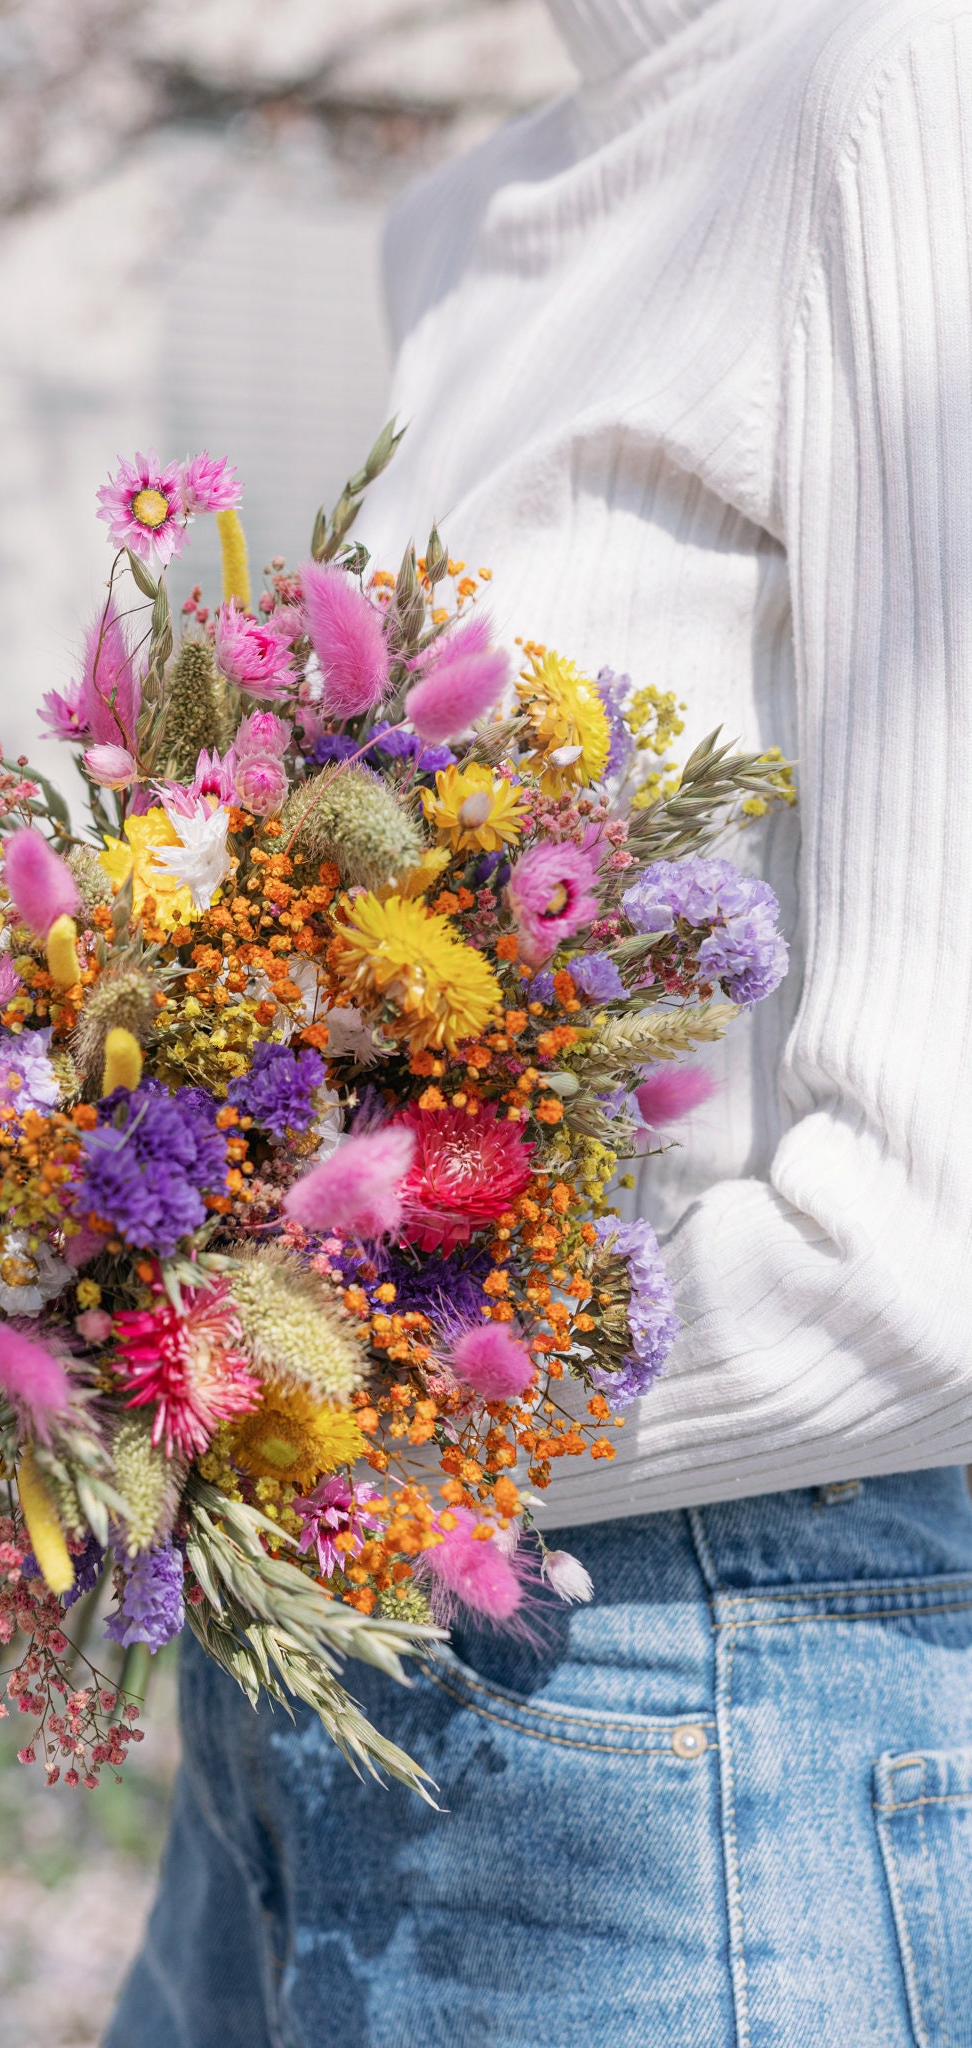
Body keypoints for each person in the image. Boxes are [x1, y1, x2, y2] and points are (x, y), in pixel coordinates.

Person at [106, 1, 972, 2040]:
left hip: (694, 1685)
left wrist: (305, 1422)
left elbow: (936, 1256)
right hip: (319, 1647)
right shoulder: (460, 220)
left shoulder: (900, 90)